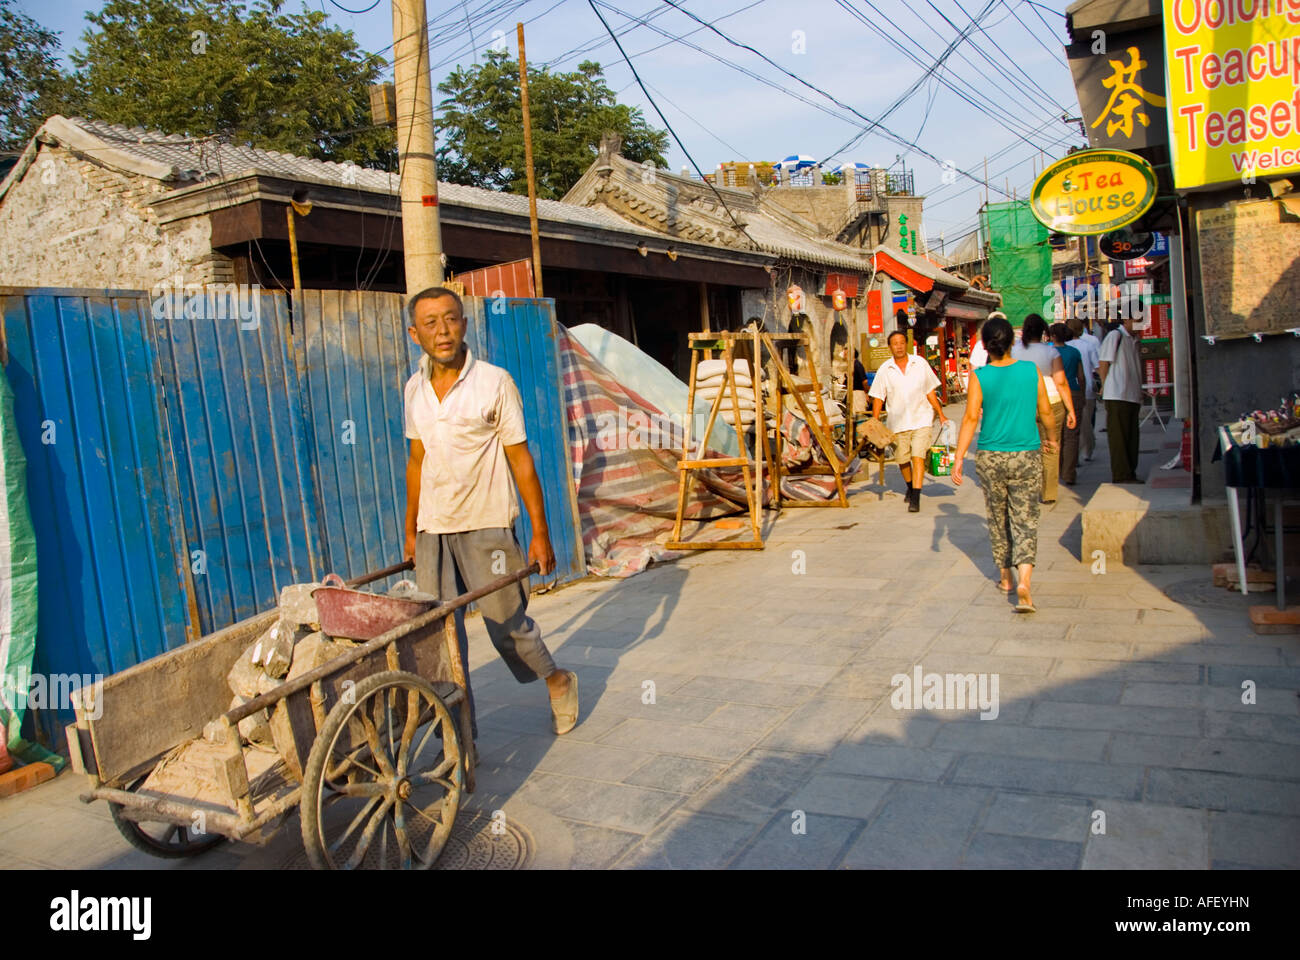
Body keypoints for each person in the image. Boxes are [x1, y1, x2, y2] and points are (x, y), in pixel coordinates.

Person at [403, 286, 579, 740]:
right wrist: (411, 530)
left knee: (507, 625)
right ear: (414, 333)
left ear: (464, 323)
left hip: (486, 524)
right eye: (430, 323)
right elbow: (417, 461)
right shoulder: (414, 389)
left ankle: (557, 680)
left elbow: (521, 459)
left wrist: (540, 533)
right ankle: (458, 734)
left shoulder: (493, 382)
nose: (442, 331)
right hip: (433, 530)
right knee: (440, 637)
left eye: (450, 319)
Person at [952, 315, 1057, 613]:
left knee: (998, 517)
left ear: (985, 345)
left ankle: (1005, 578)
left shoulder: (980, 376)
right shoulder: (1030, 370)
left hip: (991, 456)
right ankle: (1025, 578)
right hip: (1026, 454)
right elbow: (1046, 410)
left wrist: (959, 457)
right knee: (1025, 518)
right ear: (1013, 342)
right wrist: (1051, 437)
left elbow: (971, 418)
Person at [869, 329, 949, 513]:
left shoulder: (919, 363)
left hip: (921, 418)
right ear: (890, 347)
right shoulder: (885, 369)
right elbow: (878, 397)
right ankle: (911, 486)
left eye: (901, 342)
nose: (899, 346)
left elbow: (930, 391)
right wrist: (874, 421)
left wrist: (940, 413)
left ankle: (916, 497)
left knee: (917, 456)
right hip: (897, 423)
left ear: (906, 344)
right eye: (895, 343)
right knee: (903, 459)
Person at [1011, 314, 1076, 503]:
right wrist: (1070, 409)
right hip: (1052, 401)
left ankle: (1028, 487)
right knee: (1051, 445)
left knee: (1027, 447)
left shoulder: (1015, 352)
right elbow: (1061, 382)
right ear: (1043, 332)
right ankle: (1048, 493)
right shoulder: (1051, 352)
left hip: (1024, 404)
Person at [1097, 312, 1143, 483]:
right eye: (1137, 320)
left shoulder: (1134, 339)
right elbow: (1103, 363)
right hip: (1116, 394)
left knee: (1132, 437)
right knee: (1119, 438)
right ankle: (1121, 474)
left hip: (1132, 395)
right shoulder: (1115, 336)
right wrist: (1104, 385)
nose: (1140, 324)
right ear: (1126, 320)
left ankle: (1131, 472)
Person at [1050, 323, 1085, 486]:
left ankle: (1056, 470)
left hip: (1056, 394)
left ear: (1053, 336)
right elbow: (1081, 376)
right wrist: (1083, 394)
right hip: (1074, 392)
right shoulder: (1074, 352)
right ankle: (1069, 473)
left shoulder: (1050, 352)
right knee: (1071, 435)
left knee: (1056, 434)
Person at [1067, 316, 1100, 461]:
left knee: (1072, 426)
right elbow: (1097, 366)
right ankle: (1088, 450)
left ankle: (1075, 455)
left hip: (1069, 390)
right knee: (1086, 424)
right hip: (1087, 389)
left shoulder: (1064, 347)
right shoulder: (1088, 345)